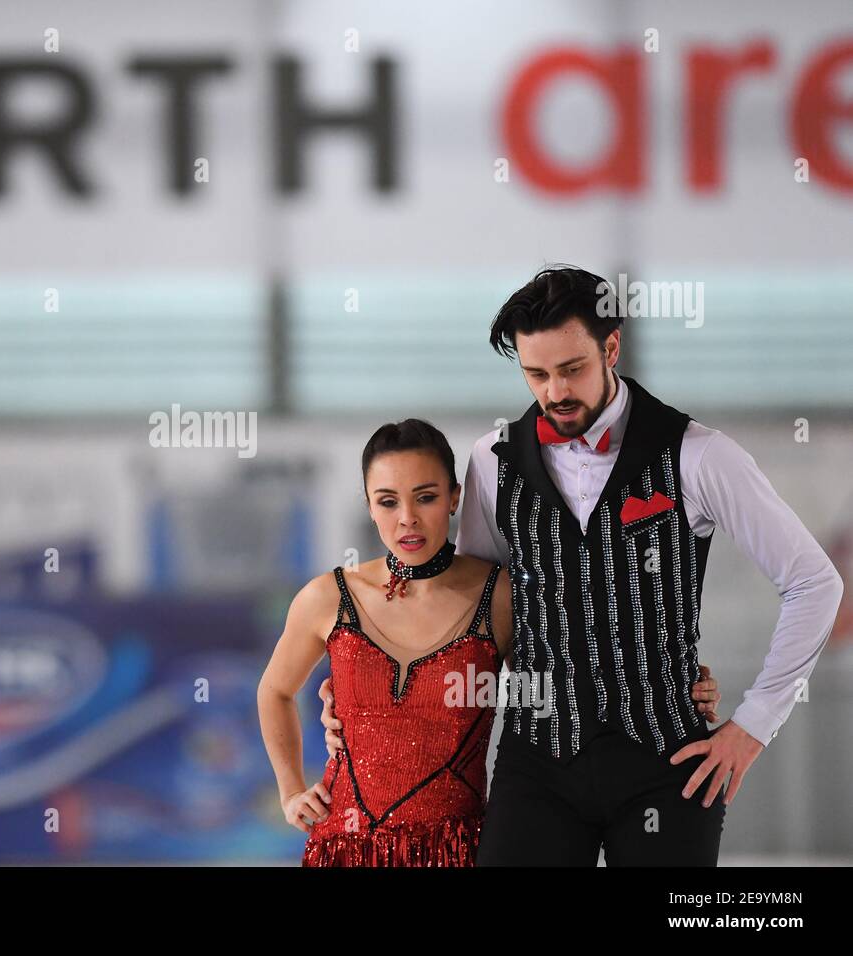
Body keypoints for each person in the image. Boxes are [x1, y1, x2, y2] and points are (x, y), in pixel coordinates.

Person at [325, 264, 843, 866]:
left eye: (571, 369)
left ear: (612, 347)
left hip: (666, 762)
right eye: (536, 374)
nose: (555, 392)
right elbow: (467, 617)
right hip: (538, 762)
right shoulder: (491, 462)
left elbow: (814, 582)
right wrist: (368, 697)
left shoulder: (700, 456)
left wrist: (754, 725)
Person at [258, 417, 723, 866]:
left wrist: (676, 684)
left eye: (426, 497)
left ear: (455, 497)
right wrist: (290, 789)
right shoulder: (327, 597)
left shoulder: (500, 595)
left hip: (460, 848)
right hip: (344, 845)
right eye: (387, 501)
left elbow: (581, 665)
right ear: (367, 505)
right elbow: (275, 691)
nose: (407, 519)